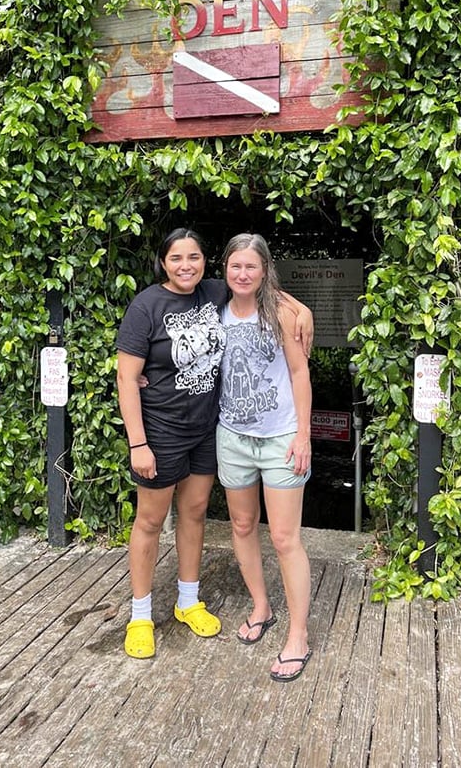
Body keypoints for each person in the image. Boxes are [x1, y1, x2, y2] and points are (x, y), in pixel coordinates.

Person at [116, 227, 312, 659]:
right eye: (176, 258)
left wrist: (302, 309)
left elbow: (259, 284)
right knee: (150, 520)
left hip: (207, 428)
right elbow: (126, 378)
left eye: (194, 257)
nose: (186, 265)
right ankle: (140, 616)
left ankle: (188, 601)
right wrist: (137, 443)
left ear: (206, 263)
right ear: (163, 262)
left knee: (195, 512)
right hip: (161, 429)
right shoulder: (146, 306)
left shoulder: (213, 291)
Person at [217, 233, 313, 682]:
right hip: (232, 437)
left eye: (251, 266)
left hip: (280, 439)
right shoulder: (215, 307)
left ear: (264, 270)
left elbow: (299, 372)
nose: (242, 274)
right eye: (235, 266)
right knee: (241, 525)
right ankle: (261, 606)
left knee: (284, 538)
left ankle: (298, 635)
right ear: (225, 268)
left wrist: (304, 435)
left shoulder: (281, 313)